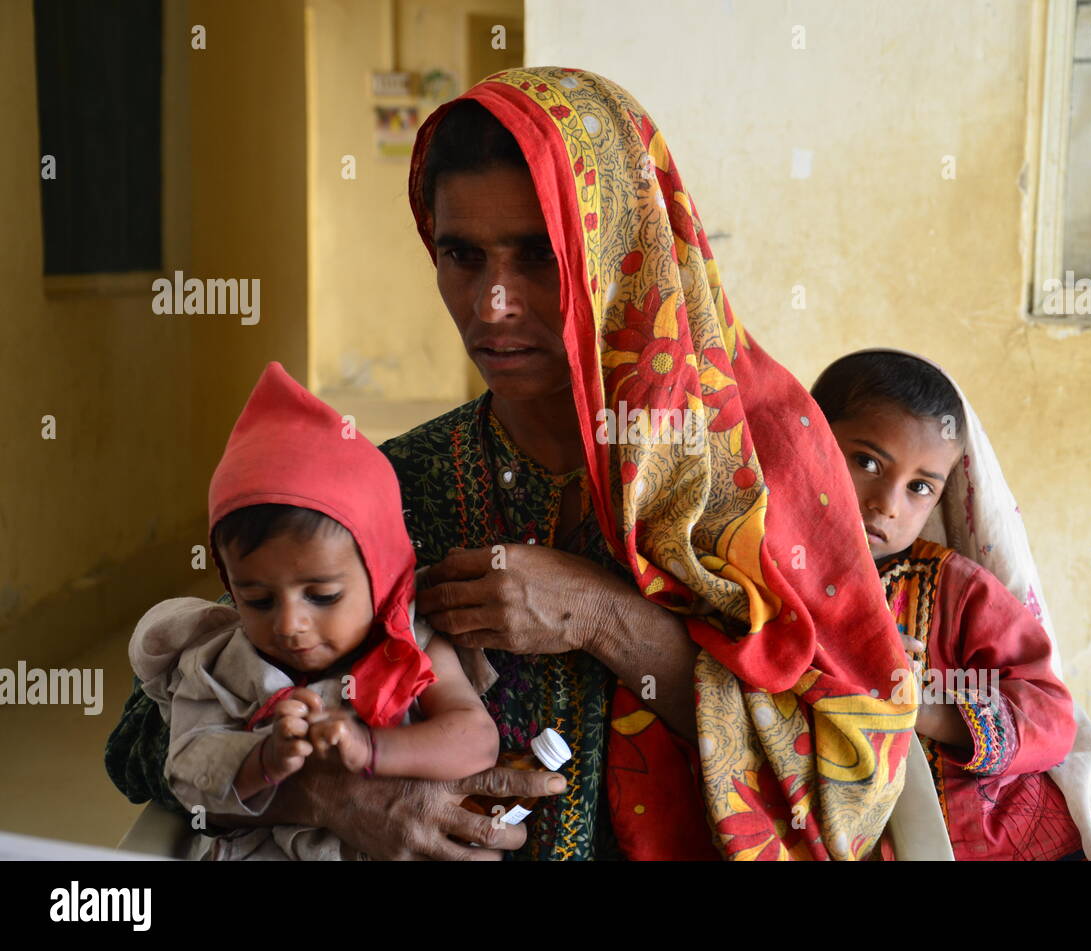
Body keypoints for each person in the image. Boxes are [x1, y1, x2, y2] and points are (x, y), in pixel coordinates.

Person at [106, 67, 915, 861]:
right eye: (462, 255)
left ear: (622, 256)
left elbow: (856, 785)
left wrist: (607, 618)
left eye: (538, 256)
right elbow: (148, 739)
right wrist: (339, 797)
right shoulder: (392, 489)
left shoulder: (755, 470)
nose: (492, 306)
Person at [129, 361, 499, 859]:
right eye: (257, 600)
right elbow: (188, 771)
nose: (288, 625)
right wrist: (264, 760)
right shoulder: (221, 663)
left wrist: (371, 750)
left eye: (322, 596)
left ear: (382, 572)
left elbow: (474, 739)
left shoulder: (412, 645)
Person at [812, 348, 1091, 860]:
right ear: (808, 441)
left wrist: (924, 707)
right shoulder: (767, 574)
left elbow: (1051, 715)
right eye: (867, 461)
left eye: (919, 486)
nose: (887, 503)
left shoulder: (957, 589)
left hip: (1005, 840)